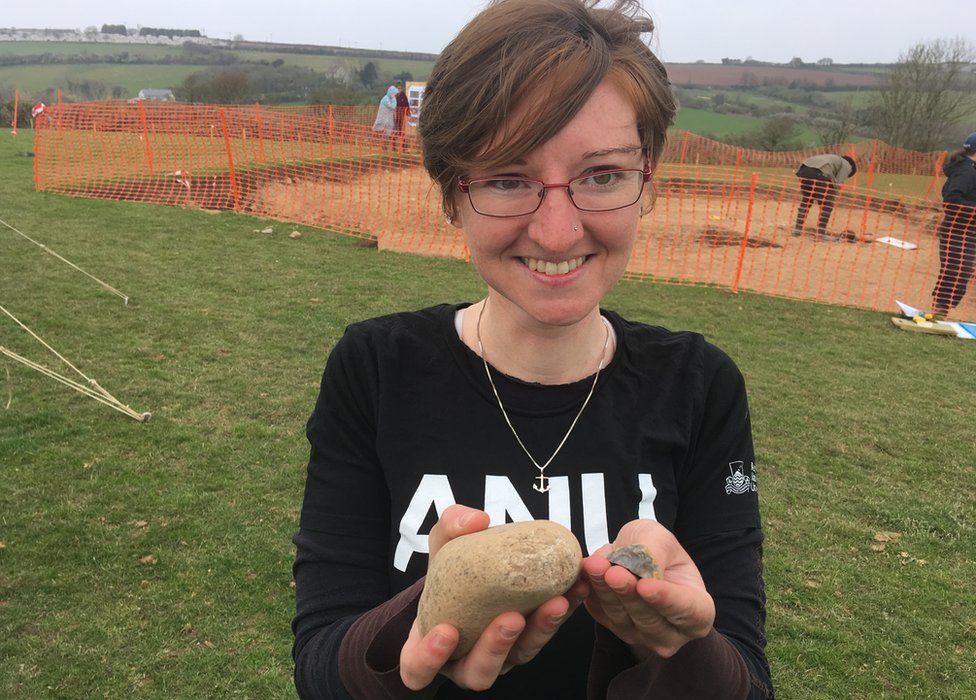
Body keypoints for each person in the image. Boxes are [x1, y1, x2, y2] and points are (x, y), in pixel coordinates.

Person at [292, 1, 773, 699]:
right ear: (452, 196)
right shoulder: (376, 369)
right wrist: (422, 619)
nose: (556, 232)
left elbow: (749, 685)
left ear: (647, 179)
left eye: (601, 175)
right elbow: (319, 668)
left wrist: (676, 645)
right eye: (507, 179)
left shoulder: (701, 386)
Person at [931, 132, 976, 318]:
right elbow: (952, 200)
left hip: (966, 230)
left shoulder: (969, 169)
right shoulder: (967, 171)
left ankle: (940, 313)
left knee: (959, 272)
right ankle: (939, 314)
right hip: (958, 230)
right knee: (956, 272)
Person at [792, 153, 857, 239]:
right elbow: (838, 183)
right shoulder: (847, 165)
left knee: (806, 200)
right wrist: (831, 195)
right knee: (827, 205)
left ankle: (797, 229)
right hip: (819, 173)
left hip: (803, 171)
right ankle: (821, 233)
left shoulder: (832, 158)